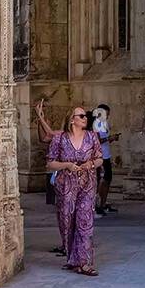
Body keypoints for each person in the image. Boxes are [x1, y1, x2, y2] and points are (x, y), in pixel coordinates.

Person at [46, 105, 103, 275]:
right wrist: (67, 165)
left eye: (86, 116)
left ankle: (85, 262)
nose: (85, 118)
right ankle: (73, 259)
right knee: (67, 222)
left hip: (87, 184)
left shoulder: (92, 137)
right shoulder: (60, 139)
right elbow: (50, 163)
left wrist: (91, 164)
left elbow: (99, 158)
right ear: (72, 120)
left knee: (85, 221)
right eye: (81, 115)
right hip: (66, 186)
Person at [35, 97, 64, 254]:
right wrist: (40, 120)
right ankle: (66, 243)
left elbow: (50, 133)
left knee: (71, 212)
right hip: (57, 175)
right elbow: (45, 138)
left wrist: (40, 116)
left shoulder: (71, 135)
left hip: (70, 177)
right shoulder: (62, 135)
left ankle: (73, 244)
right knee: (61, 211)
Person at [91, 103, 120, 216]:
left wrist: (111, 139)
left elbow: (104, 140)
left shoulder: (104, 123)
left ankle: (103, 203)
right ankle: (98, 204)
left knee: (108, 179)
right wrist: (110, 138)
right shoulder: (95, 125)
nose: (107, 116)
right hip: (100, 156)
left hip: (106, 155)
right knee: (102, 180)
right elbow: (96, 141)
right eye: (106, 114)